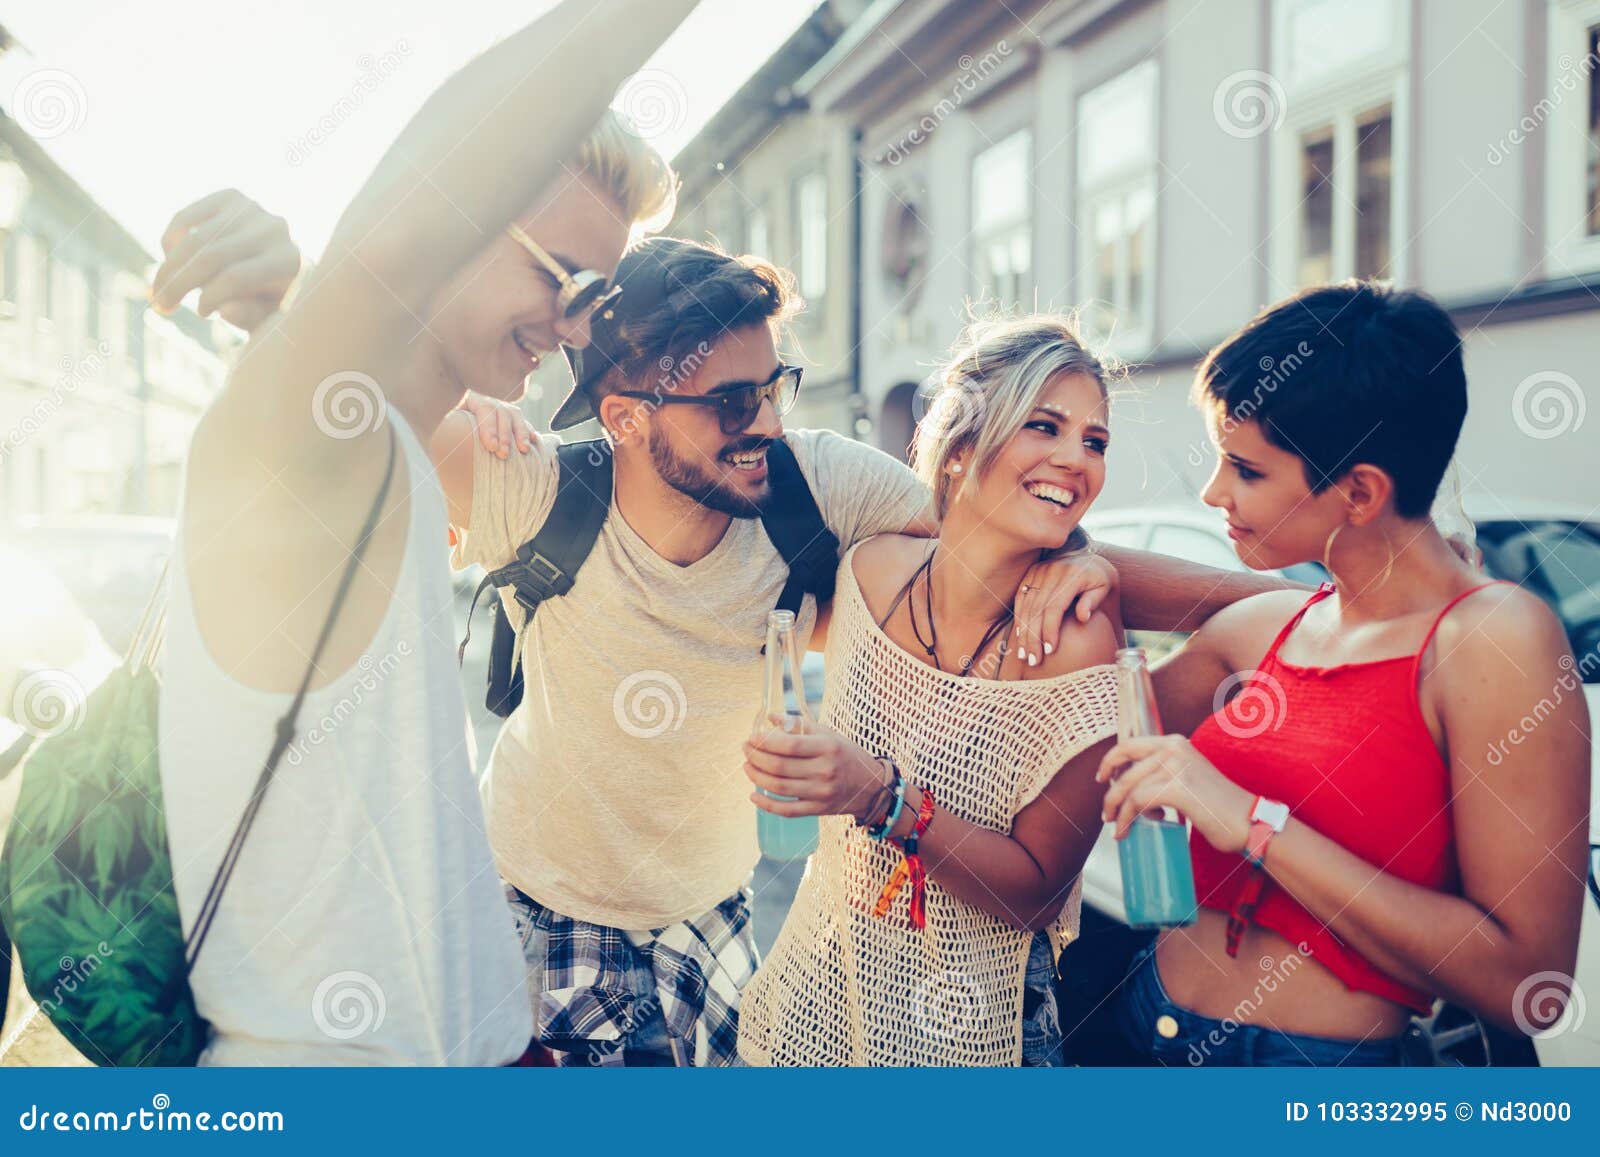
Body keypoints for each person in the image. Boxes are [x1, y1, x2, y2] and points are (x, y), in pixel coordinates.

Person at [181, 226, 1301, 1066]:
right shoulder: (526, 484)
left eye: (771, 386)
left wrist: (1119, 567)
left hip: (715, 917)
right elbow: (333, 410)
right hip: (539, 902)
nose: (762, 419)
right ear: (623, 415)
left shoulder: (817, 484)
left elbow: (991, 518)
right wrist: (285, 292)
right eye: (727, 401)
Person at [149, 0, 696, 1064]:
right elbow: (405, 221)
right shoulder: (310, 437)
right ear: (460, 211)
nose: (581, 326)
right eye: (562, 277)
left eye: (601, 293)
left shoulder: (387, 454)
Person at [1098, 282, 1590, 1066]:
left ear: (1360, 491)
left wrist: (1254, 822)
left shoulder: (1490, 642)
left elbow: (1528, 980)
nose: (1212, 493)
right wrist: (1069, 570)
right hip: (1144, 1025)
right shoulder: (1271, 624)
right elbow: (1079, 738)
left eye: (1246, 470)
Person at [735, 315, 1123, 1066]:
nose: (1075, 459)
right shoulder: (869, 569)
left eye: (1095, 441)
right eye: (1045, 426)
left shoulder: (1076, 638)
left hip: (970, 1028)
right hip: (811, 1003)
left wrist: (882, 796)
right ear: (960, 447)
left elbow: (1040, 892)